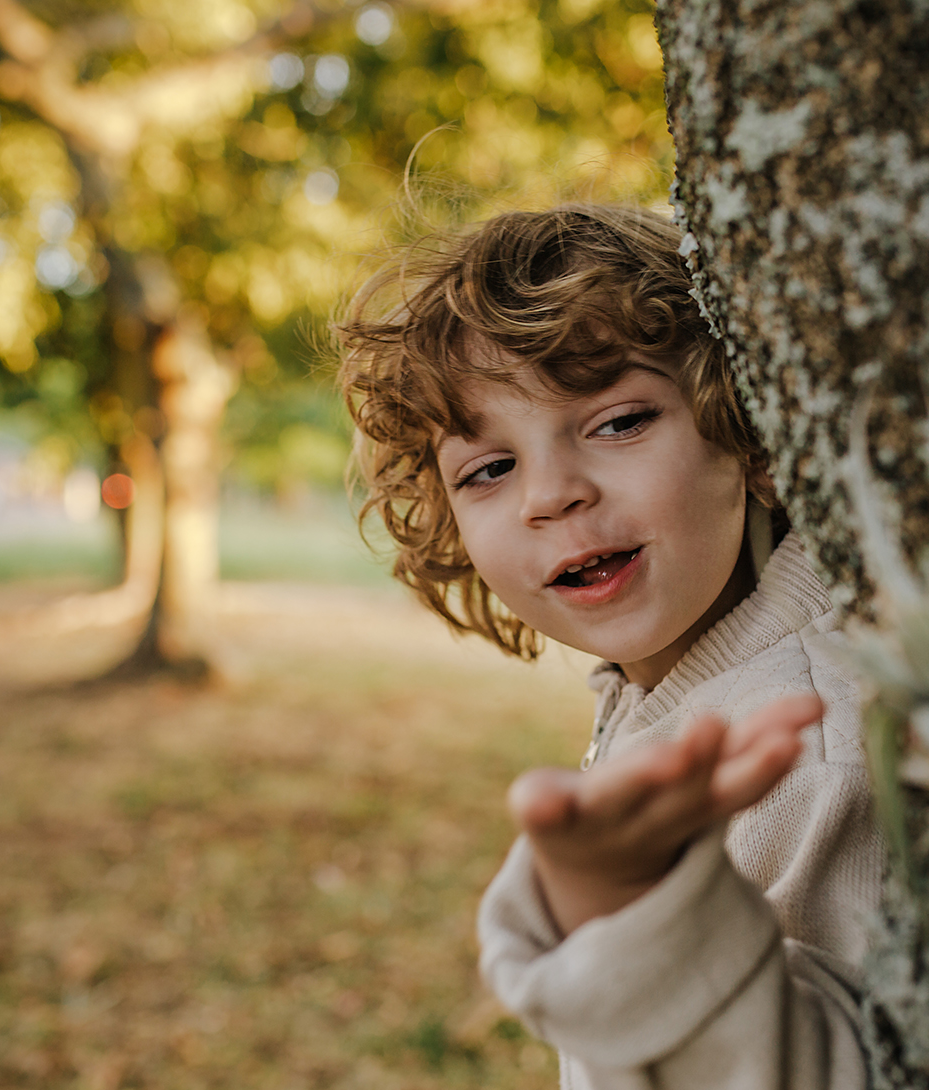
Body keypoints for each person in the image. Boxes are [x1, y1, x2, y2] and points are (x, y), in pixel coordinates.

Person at [335, 204, 883, 1088]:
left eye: (619, 422)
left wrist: (623, 905)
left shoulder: (809, 749)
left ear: (743, 431)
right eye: (488, 469)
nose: (551, 495)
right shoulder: (671, 682)